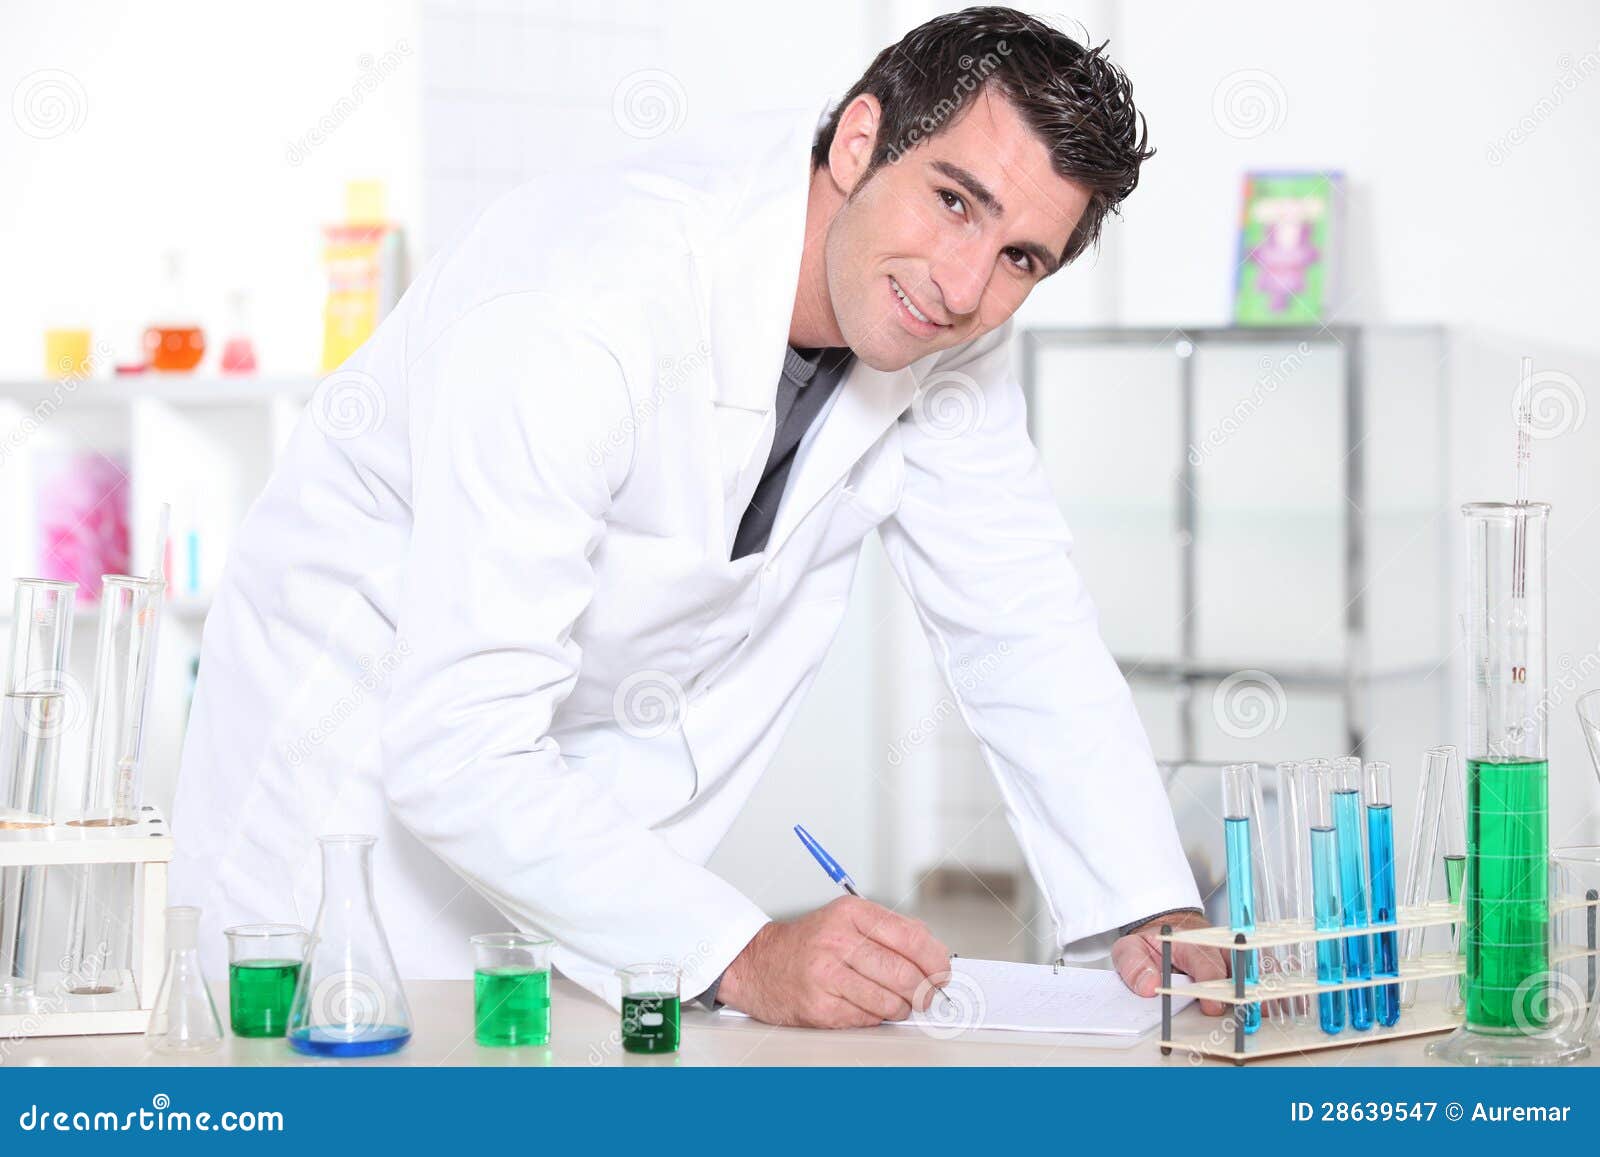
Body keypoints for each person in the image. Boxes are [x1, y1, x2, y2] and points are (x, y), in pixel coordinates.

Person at [171, 5, 1228, 1028]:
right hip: (338, 800)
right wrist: (742, 950)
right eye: (954, 200)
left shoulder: (941, 325)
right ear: (860, 141)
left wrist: (1146, 900)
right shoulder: (583, 296)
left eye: (1020, 259)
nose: (962, 286)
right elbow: (455, 741)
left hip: (577, 846)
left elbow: (1018, 613)